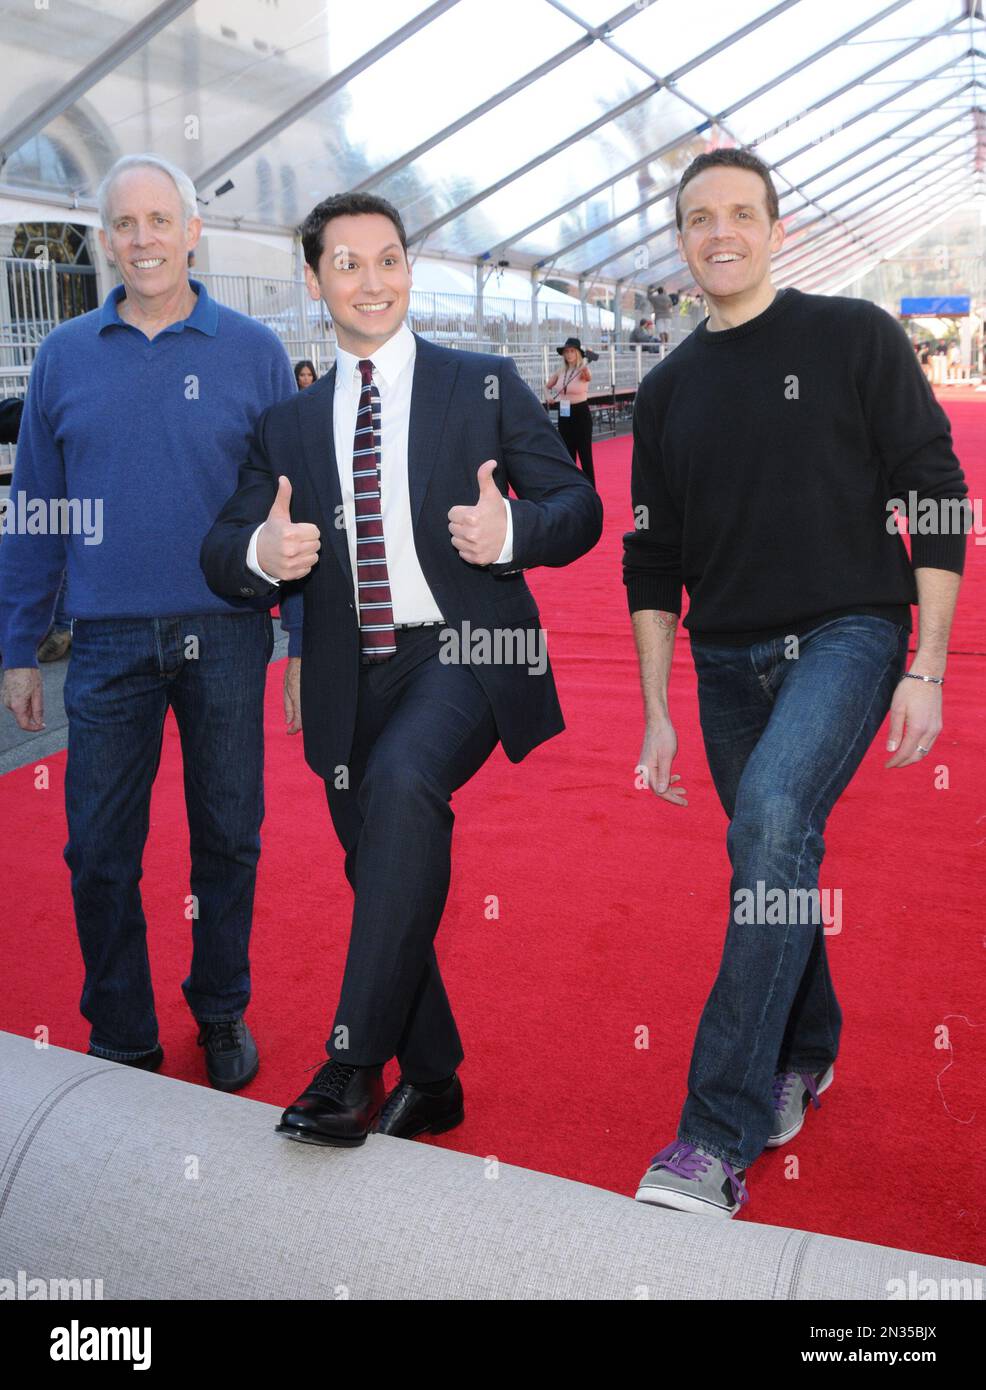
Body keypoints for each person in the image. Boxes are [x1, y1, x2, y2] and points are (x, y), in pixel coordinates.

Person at [200, 191, 603, 1148]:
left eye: (388, 260)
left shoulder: (485, 383)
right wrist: (264, 557)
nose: (371, 281)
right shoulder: (287, 423)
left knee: (404, 781)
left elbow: (579, 508)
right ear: (314, 281)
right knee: (384, 860)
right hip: (350, 673)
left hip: (465, 650)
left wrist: (515, 533)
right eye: (347, 264)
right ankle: (436, 1076)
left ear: (410, 271)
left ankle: (352, 1061)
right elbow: (219, 549)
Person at [622, 147, 968, 1218]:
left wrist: (928, 663)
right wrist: (654, 713)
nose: (717, 231)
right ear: (679, 241)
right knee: (771, 856)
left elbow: (938, 488)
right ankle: (804, 1052)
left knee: (771, 820)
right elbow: (650, 557)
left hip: (849, 632)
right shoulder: (669, 387)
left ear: (776, 229)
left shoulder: (850, 337)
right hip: (723, 661)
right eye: (696, 218)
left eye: (737, 213)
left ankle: (712, 1133)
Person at [0, 154, 296, 1086]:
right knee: (97, 850)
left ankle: (219, 1011)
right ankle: (122, 1032)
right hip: (109, 641)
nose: (142, 239)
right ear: (104, 239)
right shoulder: (64, 356)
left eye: (159, 220)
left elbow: (294, 505)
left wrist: (306, 643)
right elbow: (36, 510)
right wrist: (16, 647)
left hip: (229, 633)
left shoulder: (254, 352)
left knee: (229, 836)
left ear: (192, 230)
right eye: (124, 224)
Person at [545, 337, 596, 487]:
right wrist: (548, 396)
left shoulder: (583, 370)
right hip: (564, 412)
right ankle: (571, 487)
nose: (568, 354)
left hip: (581, 413)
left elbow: (588, 377)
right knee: (568, 453)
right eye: (566, 352)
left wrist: (585, 365)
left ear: (578, 353)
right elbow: (547, 386)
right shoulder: (560, 371)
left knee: (585, 454)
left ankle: (591, 488)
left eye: (572, 351)